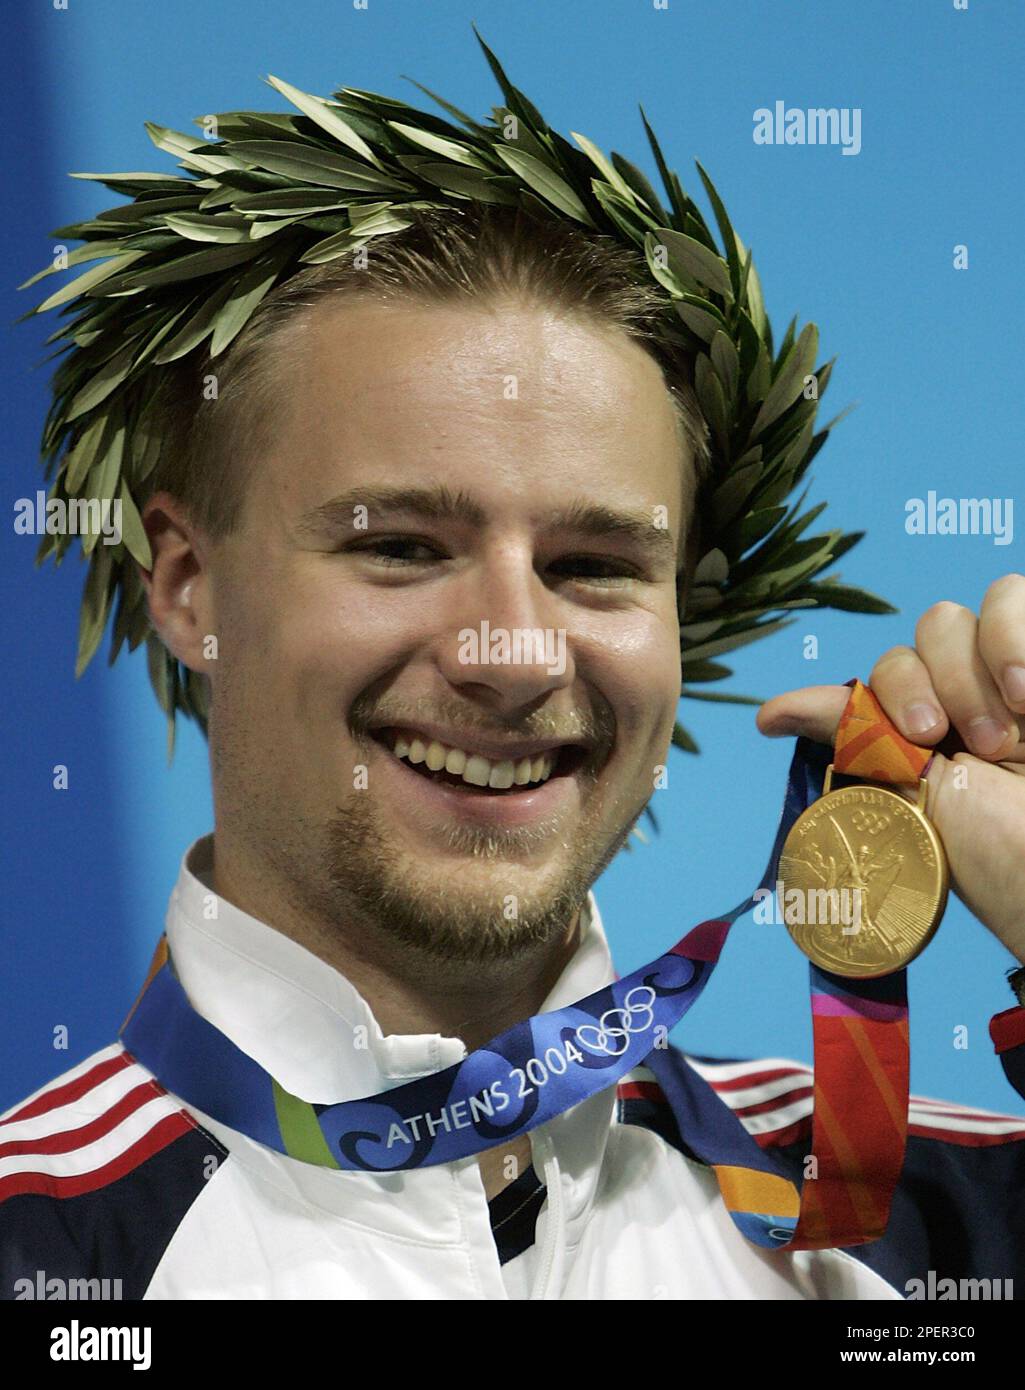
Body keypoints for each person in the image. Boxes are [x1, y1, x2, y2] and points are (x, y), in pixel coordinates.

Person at [3, 44, 1024, 1301]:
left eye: (593, 563)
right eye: (400, 546)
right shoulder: (39, 1255)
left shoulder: (924, 1232)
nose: (515, 652)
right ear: (185, 585)